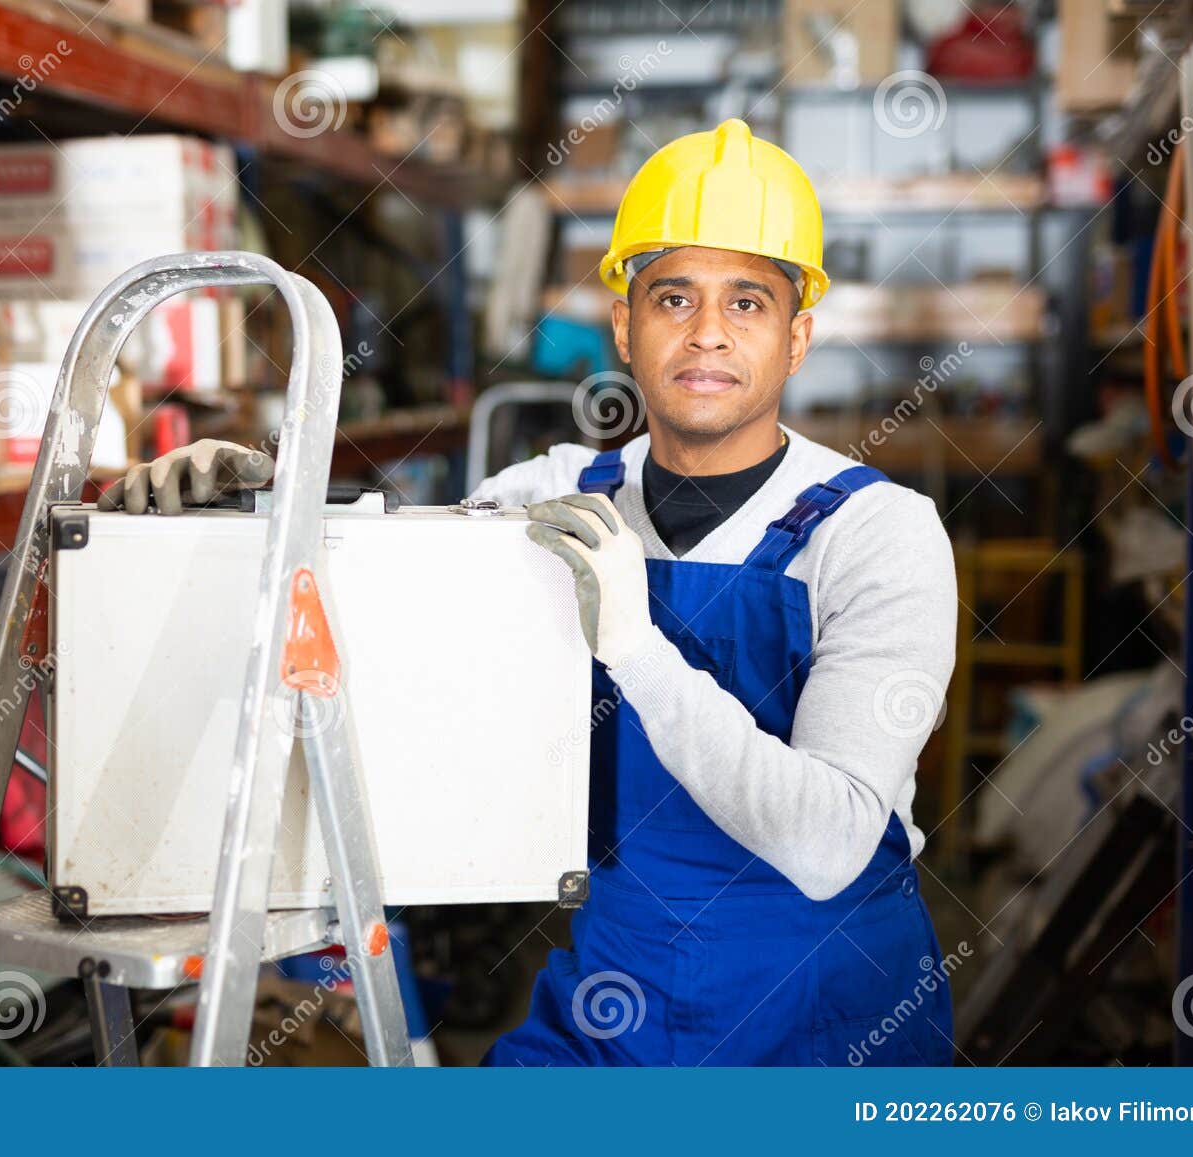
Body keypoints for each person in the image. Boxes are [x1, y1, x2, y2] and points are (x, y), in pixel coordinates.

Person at [99, 119, 957, 1067]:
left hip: (827, 1021)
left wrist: (637, 649)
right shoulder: (555, 492)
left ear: (797, 338)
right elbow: (371, 562)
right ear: (625, 324)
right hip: (618, 994)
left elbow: (830, 843)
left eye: (748, 302)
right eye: (674, 296)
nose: (708, 331)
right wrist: (258, 490)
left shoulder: (877, 533)